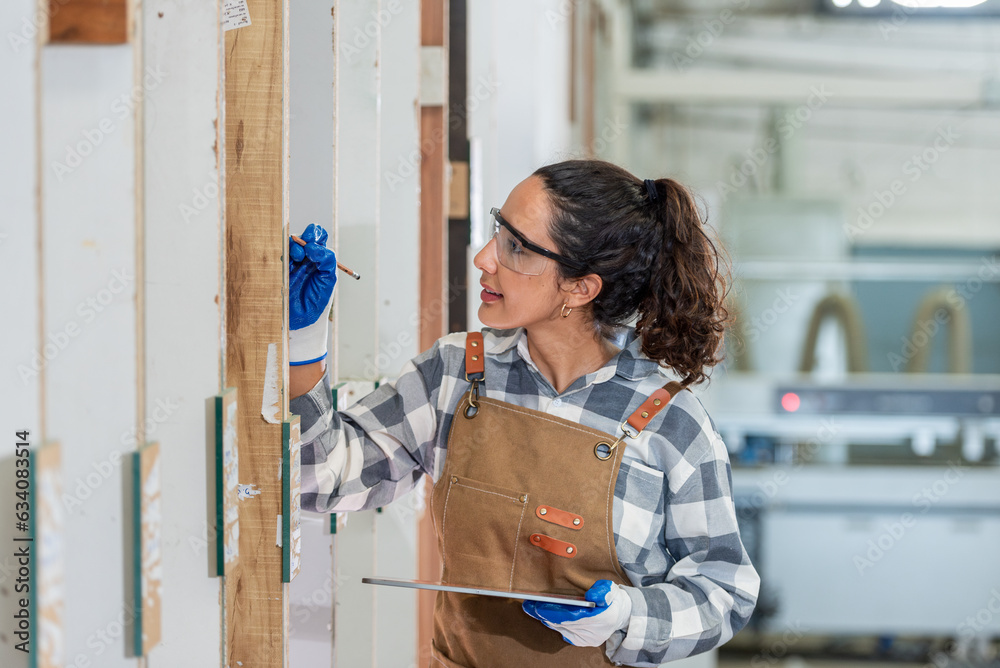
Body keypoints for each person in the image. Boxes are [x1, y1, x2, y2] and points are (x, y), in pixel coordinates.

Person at [287, 159, 759, 667]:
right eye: (498, 230)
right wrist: (304, 343)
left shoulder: (672, 424)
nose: (484, 257)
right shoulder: (455, 373)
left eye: (517, 247)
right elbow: (321, 475)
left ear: (580, 288)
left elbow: (723, 590)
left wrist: (628, 615)